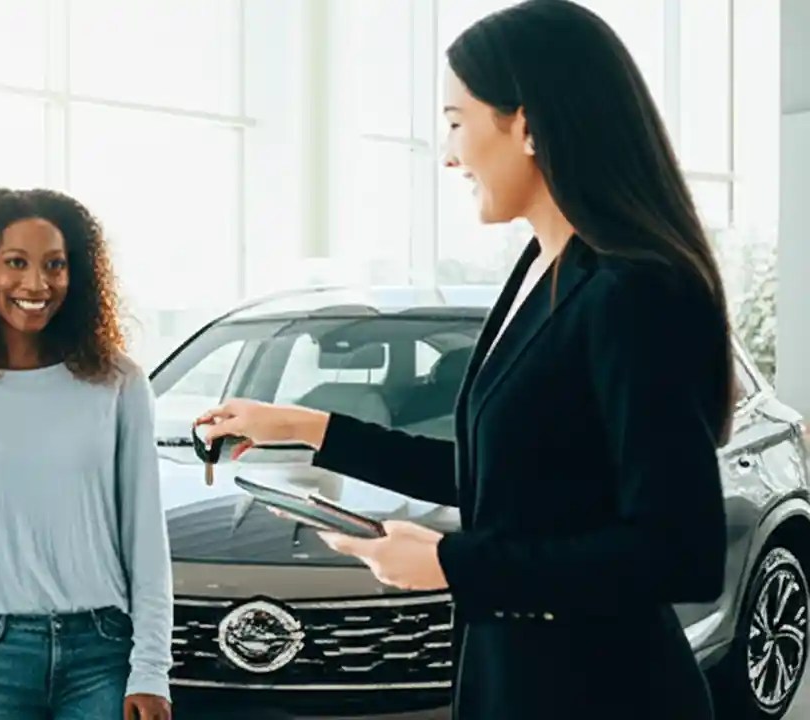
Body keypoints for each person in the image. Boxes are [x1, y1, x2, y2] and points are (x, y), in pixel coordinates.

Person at [197, 2, 732, 718]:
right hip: (515, 681)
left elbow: (679, 551)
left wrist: (451, 563)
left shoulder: (633, 291)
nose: (447, 154)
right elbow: (508, 482)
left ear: (530, 122)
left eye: (455, 120)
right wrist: (306, 426)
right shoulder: (541, 271)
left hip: (601, 693)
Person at [0, 187, 174, 720]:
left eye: (54, 265)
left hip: (100, 653)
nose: (36, 284)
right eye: (16, 263)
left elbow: (146, 536)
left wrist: (151, 667)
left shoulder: (118, 383)